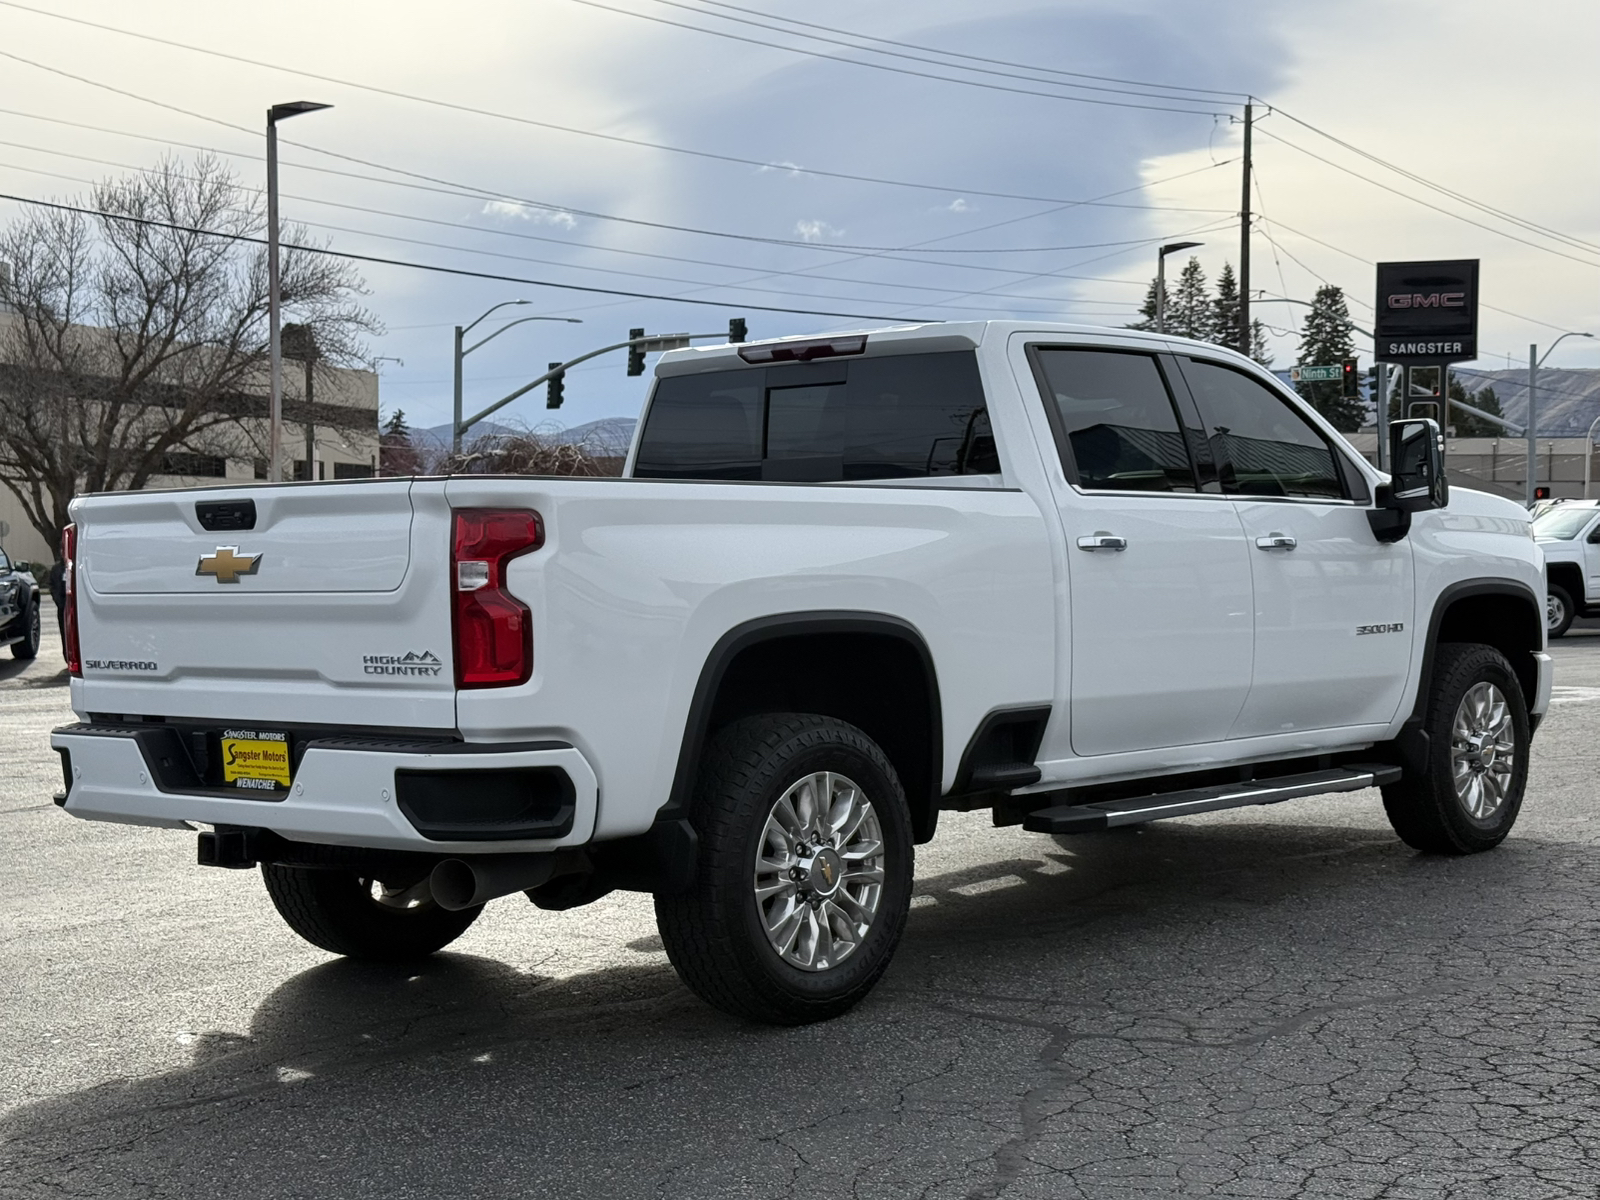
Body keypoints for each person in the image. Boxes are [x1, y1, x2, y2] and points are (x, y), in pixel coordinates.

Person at [48, 558, 65, 654]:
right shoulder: (56, 568)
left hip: (74, 606)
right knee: (63, 631)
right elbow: (51, 585)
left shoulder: (76, 565)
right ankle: (66, 655)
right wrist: (57, 600)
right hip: (62, 605)